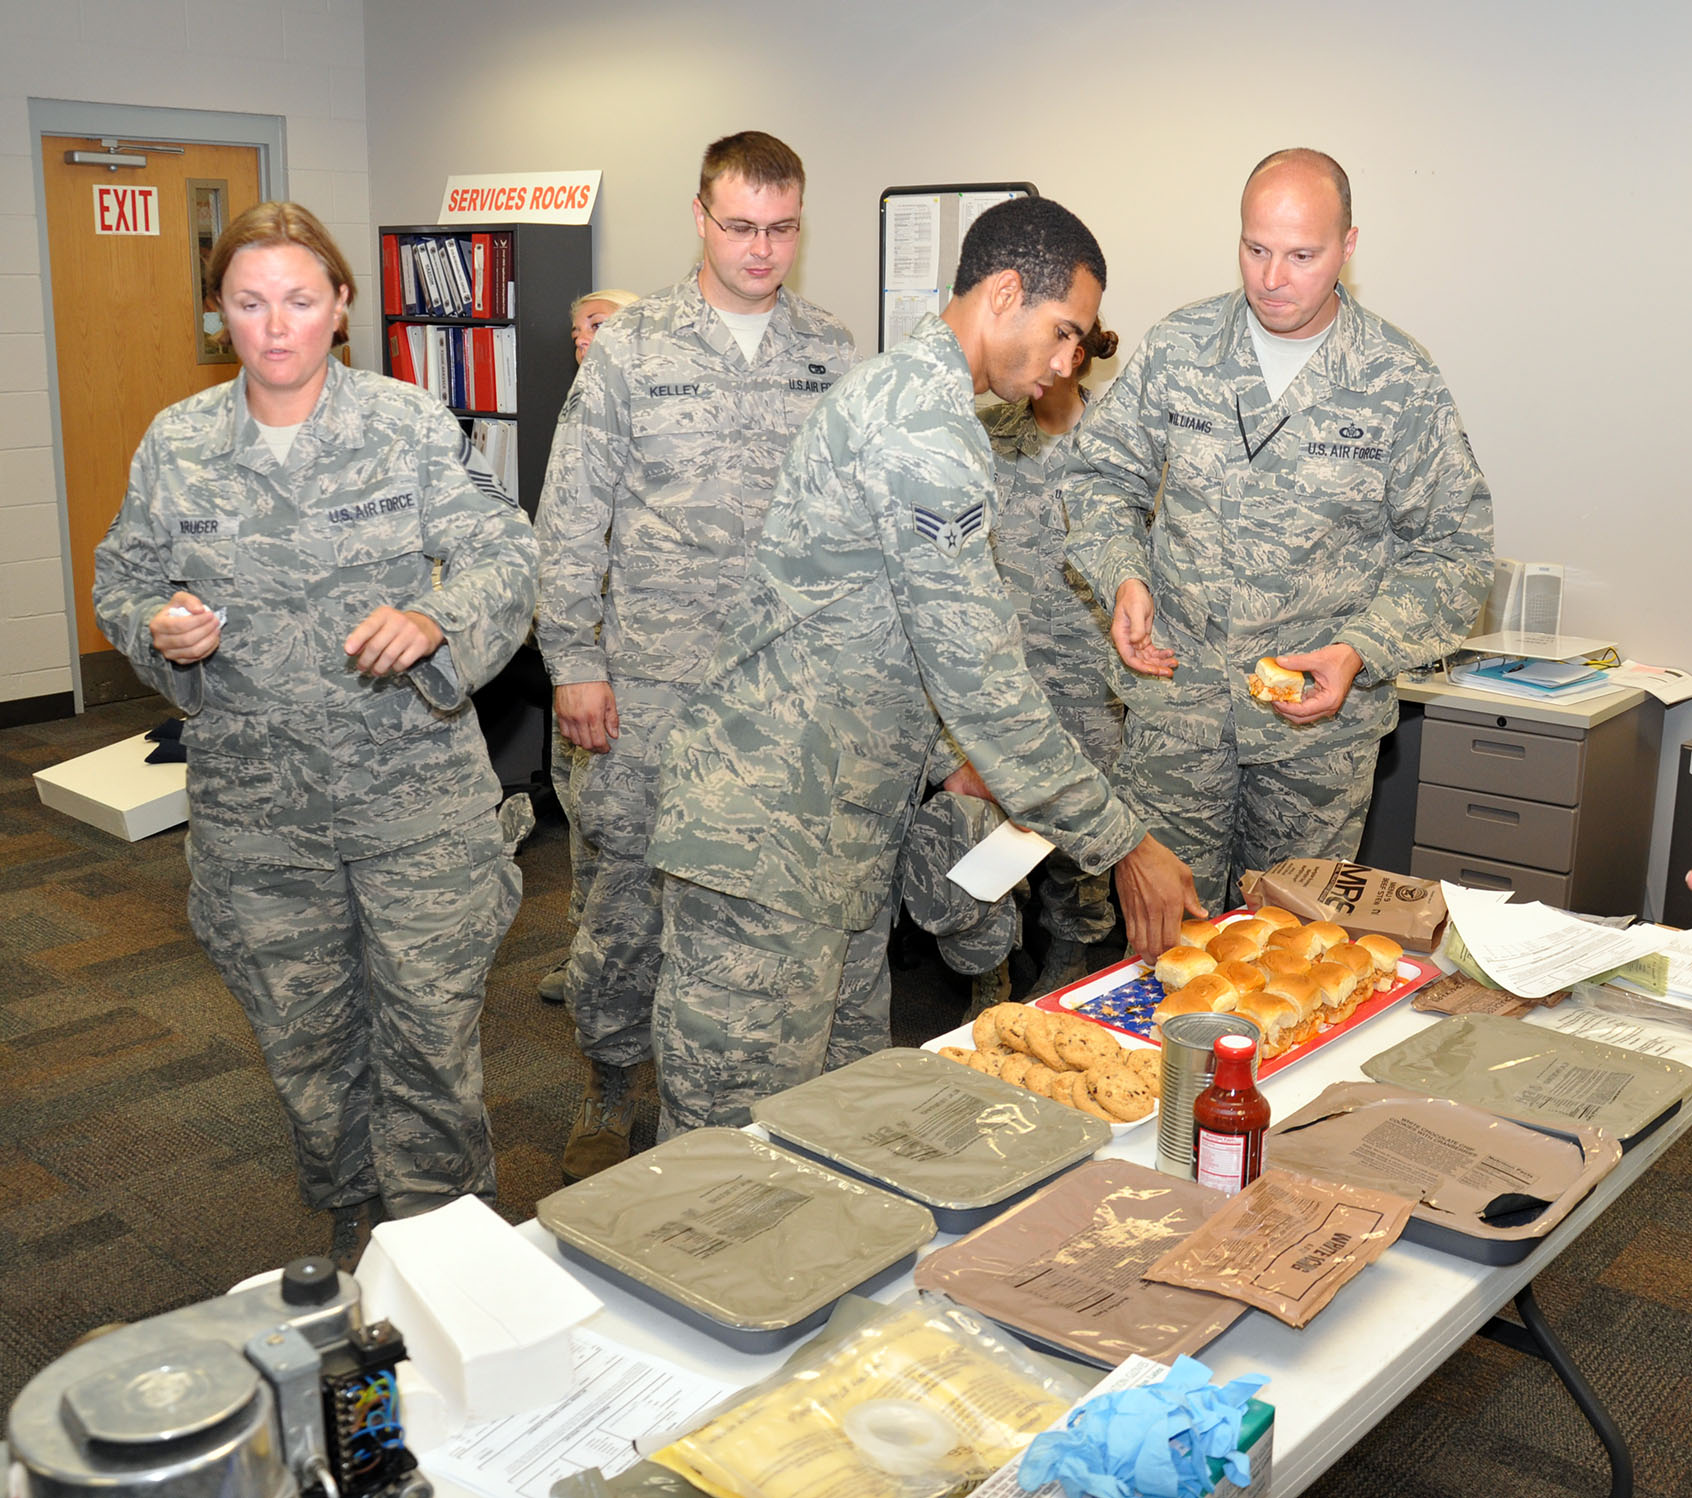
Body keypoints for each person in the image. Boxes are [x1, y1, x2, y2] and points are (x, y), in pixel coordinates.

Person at [646, 195, 1201, 1137]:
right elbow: (981, 676)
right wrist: (1126, 845)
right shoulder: (927, 432)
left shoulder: (918, 398)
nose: (1072, 362)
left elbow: (886, 637)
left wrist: (953, 763)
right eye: (1065, 331)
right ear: (1005, 293)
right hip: (767, 839)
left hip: (838, 831)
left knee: (841, 1128)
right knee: (723, 1156)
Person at [92, 202, 538, 1254]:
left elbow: (506, 555)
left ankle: (444, 1247)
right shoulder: (180, 444)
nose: (275, 325)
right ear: (220, 315)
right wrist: (162, 631)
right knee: (307, 1044)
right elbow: (123, 580)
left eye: (299, 299)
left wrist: (436, 617)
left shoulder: (407, 424)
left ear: (340, 305)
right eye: (248, 303)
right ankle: (351, 1224)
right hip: (260, 821)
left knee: (429, 1041)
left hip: (414, 806)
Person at [535, 132, 855, 1179]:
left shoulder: (831, 353)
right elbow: (571, 514)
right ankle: (608, 1077)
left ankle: (732, 1100)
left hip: (779, 695)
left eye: (780, 228)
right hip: (646, 686)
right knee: (623, 895)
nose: (761, 250)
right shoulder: (635, 349)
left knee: (756, 907)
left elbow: (854, 528)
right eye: (740, 226)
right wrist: (574, 659)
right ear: (701, 217)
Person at [1066, 148, 1493, 920]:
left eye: (1302, 255)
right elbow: (1100, 478)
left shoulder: (1398, 379)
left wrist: (1359, 649)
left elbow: (1455, 554)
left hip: (1316, 741)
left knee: (1293, 955)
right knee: (1167, 951)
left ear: (1348, 247)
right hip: (1176, 715)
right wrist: (1125, 576)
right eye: (1255, 249)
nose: (1272, 277)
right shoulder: (1180, 347)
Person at [949, 317, 1126, 1011]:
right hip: (1003, 670)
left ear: (1080, 357)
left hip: (1088, 672)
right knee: (991, 828)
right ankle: (987, 969)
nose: (1047, 366)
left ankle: (1070, 955)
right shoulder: (988, 431)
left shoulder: (1118, 441)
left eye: (1063, 352)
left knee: (1079, 823)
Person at [535, 284, 642, 1006]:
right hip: (581, 657)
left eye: (598, 324)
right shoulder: (577, 414)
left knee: (624, 821)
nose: (583, 339)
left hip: (640, 661)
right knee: (581, 808)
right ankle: (586, 950)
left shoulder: (649, 407)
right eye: (577, 330)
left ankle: (618, 961)